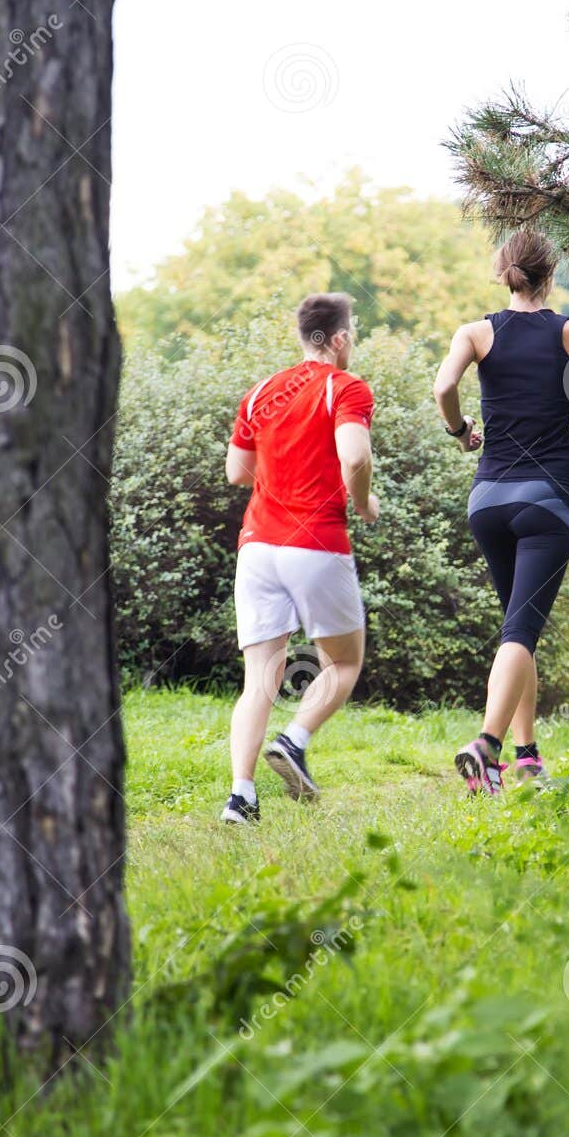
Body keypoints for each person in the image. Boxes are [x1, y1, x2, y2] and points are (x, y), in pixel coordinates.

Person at [433, 229, 569, 795]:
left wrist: (461, 431)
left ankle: (528, 756)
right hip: (547, 501)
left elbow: (443, 387)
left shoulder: (475, 333)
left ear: (503, 273)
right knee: (520, 629)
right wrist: (568, 400)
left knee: (519, 628)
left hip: (487, 500)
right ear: (550, 274)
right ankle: (486, 746)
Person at [221, 292, 378, 822]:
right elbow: (355, 456)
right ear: (339, 338)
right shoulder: (346, 387)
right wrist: (362, 501)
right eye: (351, 335)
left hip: (257, 546)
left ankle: (241, 797)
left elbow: (236, 472)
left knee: (259, 679)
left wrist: (280, 472)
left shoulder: (261, 391)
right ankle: (294, 740)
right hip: (314, 543)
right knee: (345, 661)